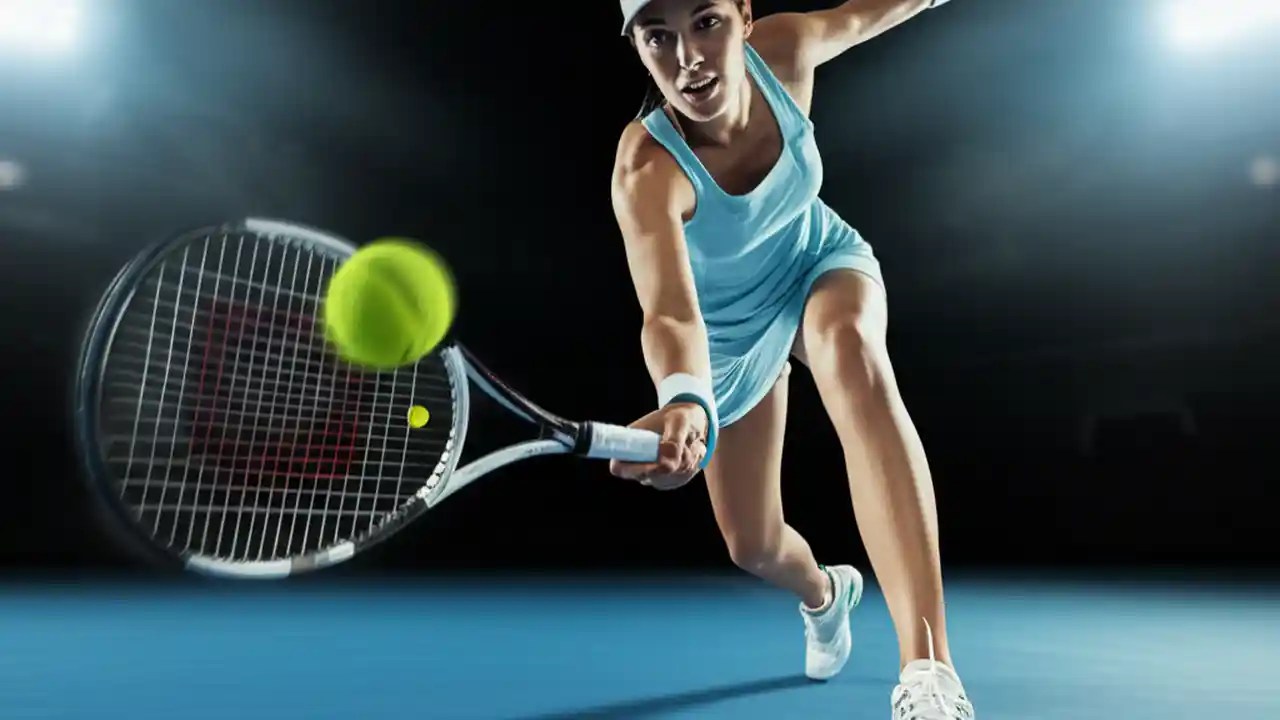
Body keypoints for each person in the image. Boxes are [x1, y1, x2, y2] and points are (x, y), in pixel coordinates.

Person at [606, 0, 975, 717]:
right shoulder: (646, 169)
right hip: (728, 343)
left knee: (851, 352)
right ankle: (826, 594)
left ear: (745, 16)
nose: (687, 57)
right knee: (753, 544)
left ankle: (928, 669)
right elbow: (671, 310)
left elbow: (871, 13)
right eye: (659, 36)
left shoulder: (787, 50)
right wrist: (685, 395)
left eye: (705, 21)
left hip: (815, 262)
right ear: (637, 46)